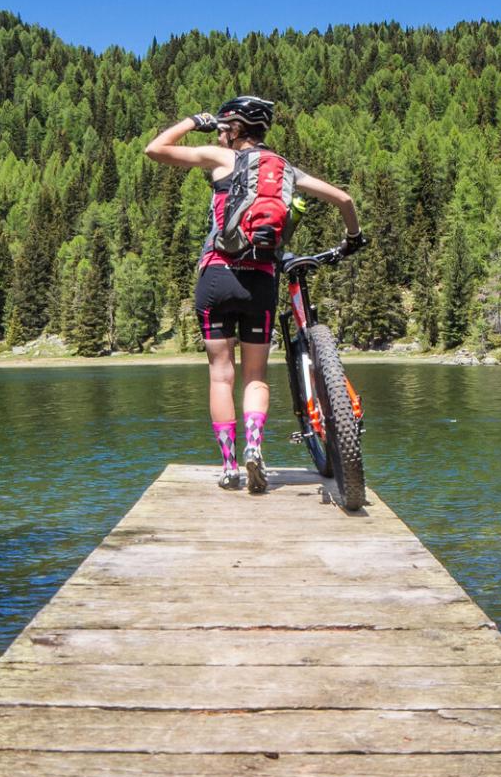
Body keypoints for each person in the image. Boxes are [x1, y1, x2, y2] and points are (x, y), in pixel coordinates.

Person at [142, 95, 362, 492]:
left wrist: (195, 120)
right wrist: (353, 238)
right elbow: (344, 199)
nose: (222, 132)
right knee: (256, 376)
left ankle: (229, 465)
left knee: (221, 375)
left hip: (216, 276)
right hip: (260, 280)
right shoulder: (285, 169)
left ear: (237, 129)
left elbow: (155, 149)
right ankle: (256, 449)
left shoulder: (220, 159)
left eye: (226, 126)